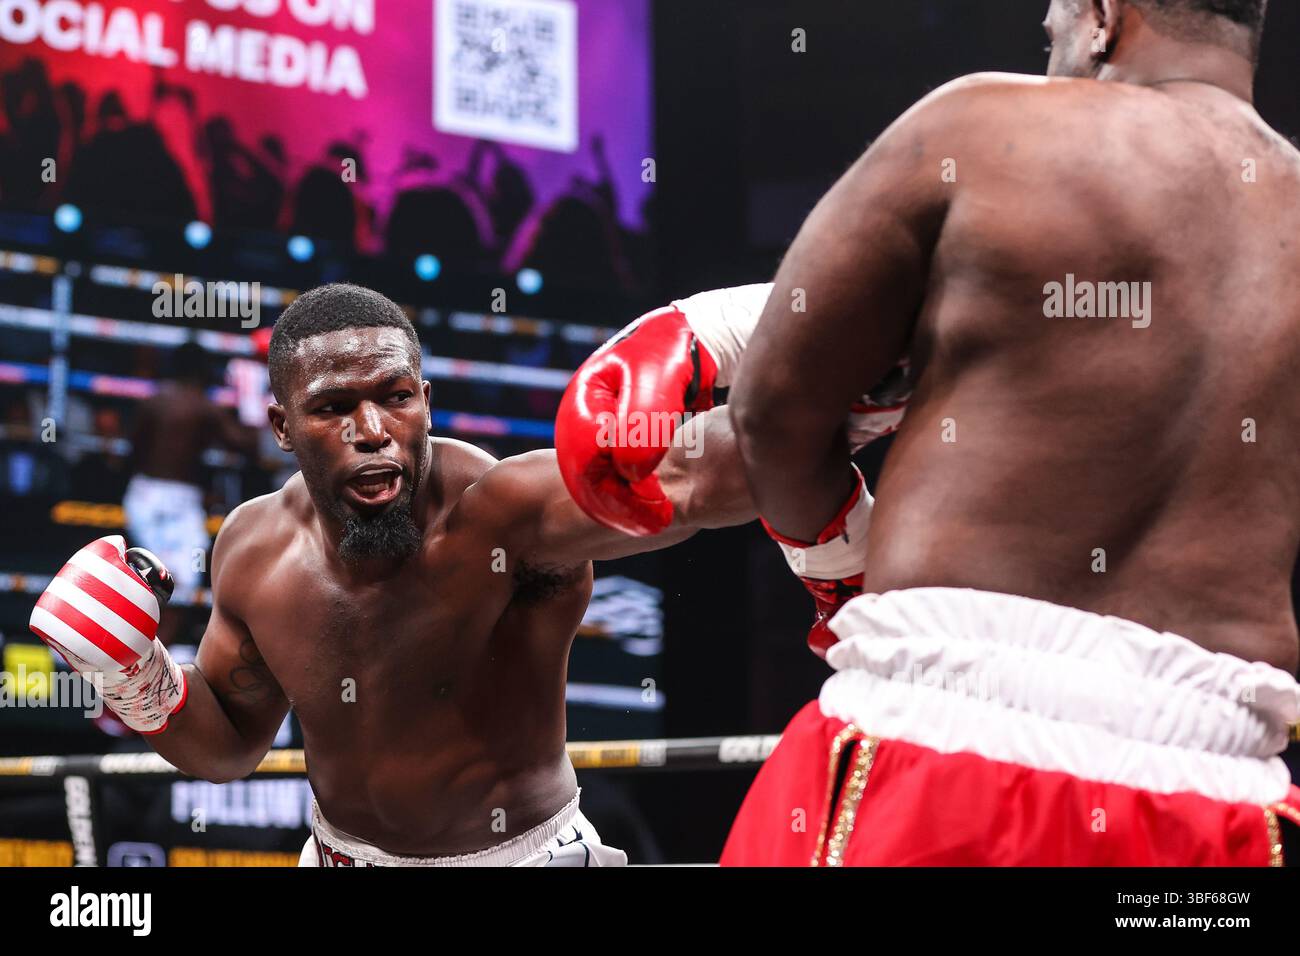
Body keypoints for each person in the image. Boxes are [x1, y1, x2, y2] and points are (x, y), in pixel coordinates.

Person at [561, 0, 1300, 866]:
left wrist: (840, 567)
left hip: (944, 746)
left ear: (1104, 16)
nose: (1052, 54)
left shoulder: (984, 126)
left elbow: (771, 414)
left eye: (1053, 28)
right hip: (1224, 795)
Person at [30, 283, 753, 866]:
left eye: (395, 396)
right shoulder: (253, 549)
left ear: (425, 399)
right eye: (335, 407)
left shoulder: (504, 514)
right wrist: (137, 679)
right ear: (281, 426)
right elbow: (228, 748)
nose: (372, 428)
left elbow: (699, 479)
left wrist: (802, 376)